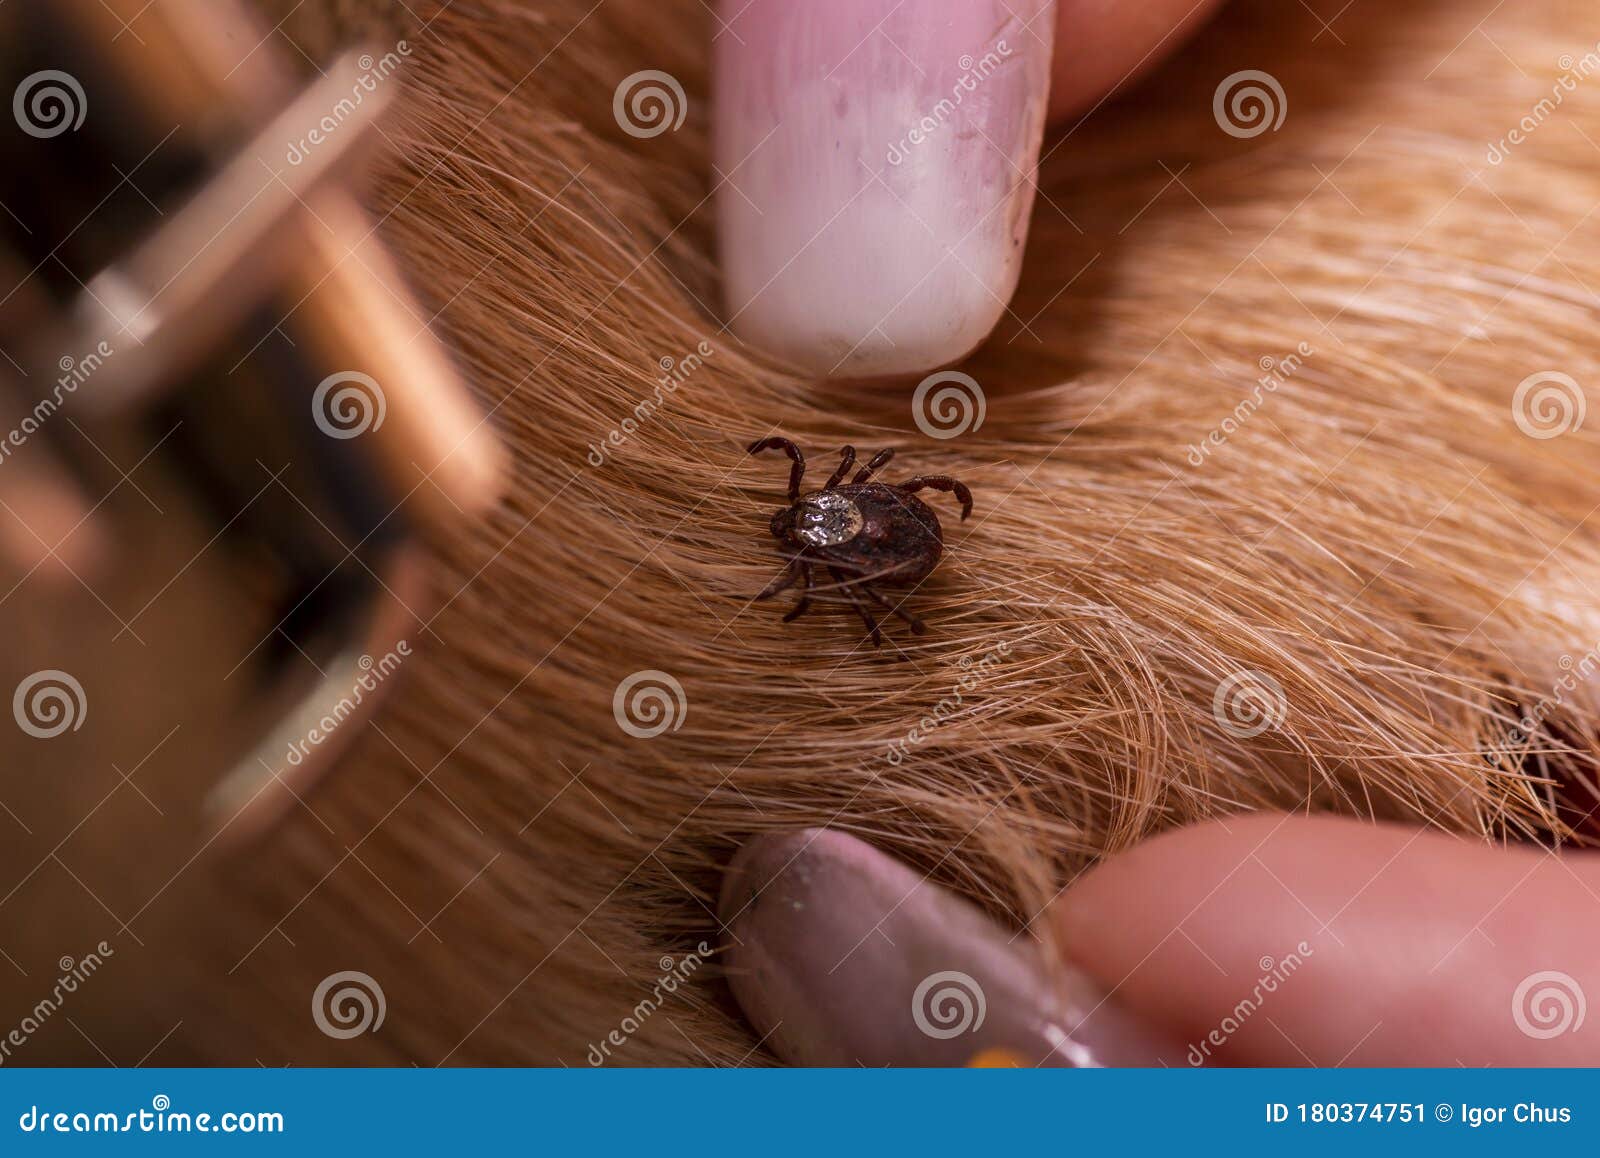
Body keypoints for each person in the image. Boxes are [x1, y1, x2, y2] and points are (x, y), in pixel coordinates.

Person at [712, 1, 1598, 1067]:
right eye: (815, 526)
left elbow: (852, 567)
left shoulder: (835, 543)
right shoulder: (862, 510)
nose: (815, 515)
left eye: (815, 520)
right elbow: (887, 529)